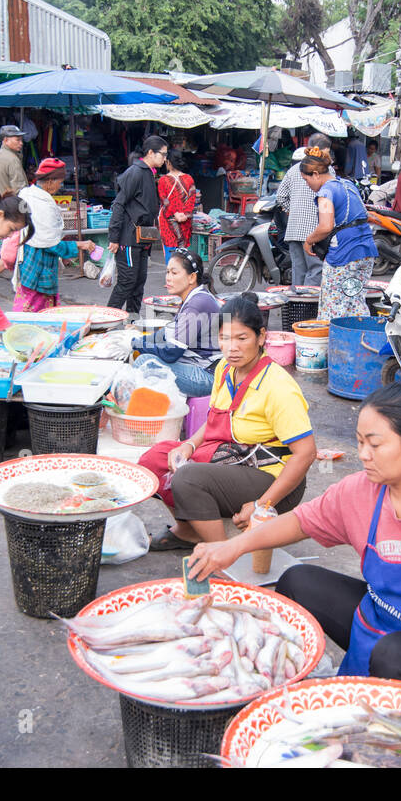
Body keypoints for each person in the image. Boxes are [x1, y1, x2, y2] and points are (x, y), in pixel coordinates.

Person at [188, 374, 401, 708]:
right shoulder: (361, 491)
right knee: (296, 581)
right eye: (360, 442)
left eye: (375, 444)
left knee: (394, 655)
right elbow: (299, 522)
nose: (364, 454)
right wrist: (231, 547)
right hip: (386, 617)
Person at [139, 293, 316, 550]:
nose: (232, 347)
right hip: (227, 457)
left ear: (261, 337)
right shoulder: (225, 369)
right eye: (224, 338)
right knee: (153, 460)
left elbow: (306, 454)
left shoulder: (278, 386)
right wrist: (188, 445)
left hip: (271, 479)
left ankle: (222, 552)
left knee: (187, 478)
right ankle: (190, 530)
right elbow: (213, 419)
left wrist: (261, 504)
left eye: (242, 338)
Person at [300, 147, 378, 321]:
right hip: (365, 255)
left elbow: (325, 226)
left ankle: (333, 346)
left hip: (343, 256)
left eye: (306, 180)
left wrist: (308, 241)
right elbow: (364, 214)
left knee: (332, 308)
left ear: (315, 174)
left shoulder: (326, 192)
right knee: (355, 302)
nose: (307, 185)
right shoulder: (348, 184)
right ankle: (360, 342)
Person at [132, 247, 222, 397]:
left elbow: (171, 353)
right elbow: (166, 333)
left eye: (174, 273)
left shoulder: (196, 304)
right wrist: (136, 340)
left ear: (192, 278)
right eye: (167, 272)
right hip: (200, 368)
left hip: (209, 376)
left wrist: (135, 345)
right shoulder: (194, 297)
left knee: (145, 362)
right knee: (145, 356)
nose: (168, 278)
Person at [13, 158, 93, 311]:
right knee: (37, 314)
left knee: (28, 309)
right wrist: (80, 245)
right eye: (60, 181)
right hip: (39, 268)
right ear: (49, 181)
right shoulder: (43, 205)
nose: (60, 185)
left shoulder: (26, 194)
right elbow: (51, 245)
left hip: (27, 263)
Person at [107, 135, 166, 313]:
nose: (165, 158)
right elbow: (118, 204)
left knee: (138, 283)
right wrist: (114, 237)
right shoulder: (135, 172)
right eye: (162, 154)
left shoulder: (148, 172)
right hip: (128, 239)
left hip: (142, 238)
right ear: (150, 153)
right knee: (127, 282)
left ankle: (132, 322)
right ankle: (105, 322)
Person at [277, 133, 333, 287]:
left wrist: (292, 210)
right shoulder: (327, 172)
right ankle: (308, 307)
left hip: (294, 229)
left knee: (299, 270)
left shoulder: (294, 169)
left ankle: (297, 305)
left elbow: (280, 196)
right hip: (315, 230)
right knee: (315, 270)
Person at [157, 151, 199, 263]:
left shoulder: (162, 180)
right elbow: (192, 198)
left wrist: (175, 213)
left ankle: (171, 275)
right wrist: (185, 214)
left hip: (168, 222)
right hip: (185, 221)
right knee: (183, 252)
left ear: (169, 163)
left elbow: (164, 200)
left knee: (170, 251)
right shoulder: (189, 179)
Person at [0, 125, 28, 195]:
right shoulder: (12, 159)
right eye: (18, 140)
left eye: (21, 140)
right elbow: (20, 190)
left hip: (0, 202)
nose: (21, 143)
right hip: (11, 203)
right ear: (6, 140)